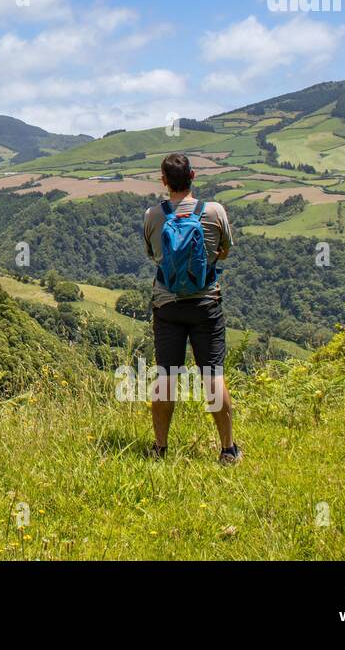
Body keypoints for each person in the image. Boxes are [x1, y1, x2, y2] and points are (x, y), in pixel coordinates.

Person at [142, 152, 241, 464]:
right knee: (213, 374)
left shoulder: (154, 215)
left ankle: (160, 448)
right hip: (205, 303)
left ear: (164, 181)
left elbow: (152, 254)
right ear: (193, 176)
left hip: (167, 304)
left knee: (166, 376)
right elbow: (224, 252)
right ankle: (227, 450)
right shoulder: (214, 211)